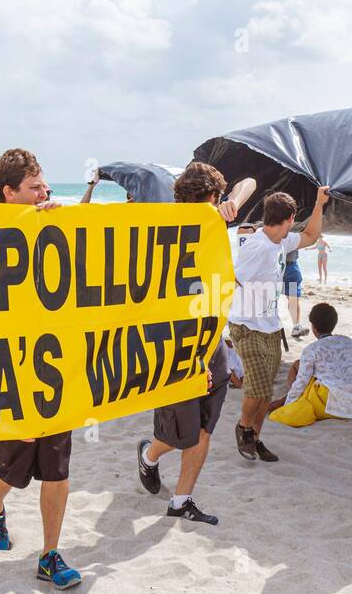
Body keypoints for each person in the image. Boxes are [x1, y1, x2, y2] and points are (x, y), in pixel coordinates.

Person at [0, 148, 80, 589]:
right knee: (10, 471)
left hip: (52, 364)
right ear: (9, 193)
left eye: (46, 187)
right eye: (36, 188)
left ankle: (50, 555)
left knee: (57, 469)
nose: (45, 194)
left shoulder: (49, 223)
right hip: (3, 371)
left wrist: (58, 220)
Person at [136, 164, 257, 524]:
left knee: (204, 428)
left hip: (212, 343)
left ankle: (181, 500)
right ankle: (149, 455)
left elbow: (249, 179)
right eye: (216, 199)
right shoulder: (162, 229)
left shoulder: (216, 220)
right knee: (179, 434)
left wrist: (232, 202)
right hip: (175, 346)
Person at [229, 187, 329, 462]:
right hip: (246, 325)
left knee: (266, 392)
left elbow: (311, 236)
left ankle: (254, 438)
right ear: (289, 218)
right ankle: (242, 428)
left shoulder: (280, 242)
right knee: (258, 389)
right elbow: (232, 278)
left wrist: (319, 203)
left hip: (272, 326)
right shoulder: (257, 247)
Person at [269, 302, 352, 427]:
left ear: (313, 327)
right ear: (334, 324)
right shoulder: (349, 342)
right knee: (311, 369)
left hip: (329, 405)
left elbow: (301, 382)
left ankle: (286, 400)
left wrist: (288, 404)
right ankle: (286, 399)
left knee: (298, 367)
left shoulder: (311, 349)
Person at [284, 248, 307, 338]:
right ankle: (296, 326)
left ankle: (296, 326)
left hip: (288, 265)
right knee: (271, 296)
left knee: (292, 297)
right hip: (279, 265)